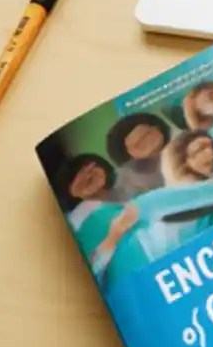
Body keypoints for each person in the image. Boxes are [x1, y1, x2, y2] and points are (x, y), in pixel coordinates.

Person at [55, 154, 139, 282]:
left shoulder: (127, 185)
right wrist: (113, 237)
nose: (89, 175)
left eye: (91, 168)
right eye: (80, 175)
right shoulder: (82, 222)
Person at [105, 112, 171, 198]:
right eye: (138, 144)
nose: (148, 142)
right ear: (129, 155)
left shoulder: (181, 140)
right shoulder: (140, 178)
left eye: (148, 134)